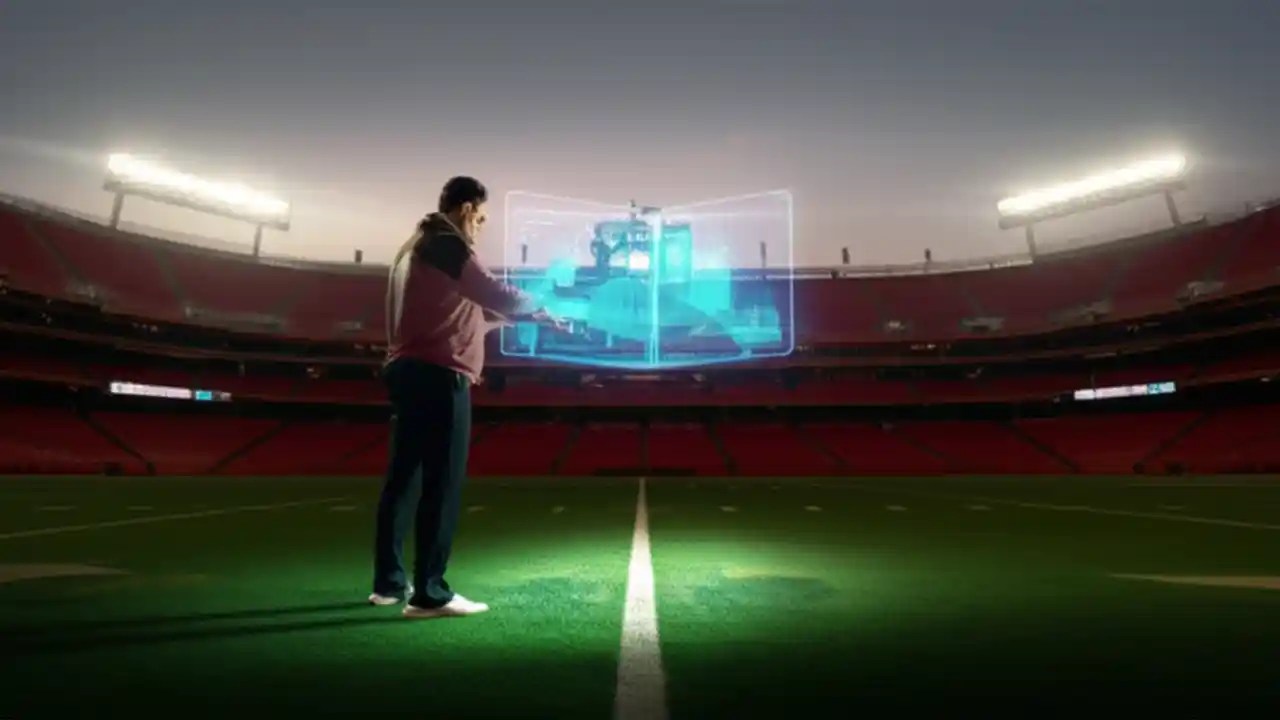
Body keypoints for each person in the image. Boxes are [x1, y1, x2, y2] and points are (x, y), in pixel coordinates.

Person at [370, 175, 561, 619]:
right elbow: (497, 294)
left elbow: (465, 315)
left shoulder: (415, 246)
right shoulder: (447, 242)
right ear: (467, 208)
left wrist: (530, 318)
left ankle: (389, 584)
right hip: (439, 376)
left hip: (408, 371)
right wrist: (539, 301)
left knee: (404, 482)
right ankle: (430, 593)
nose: (481, 227)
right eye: (482, 217)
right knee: (443, 483)